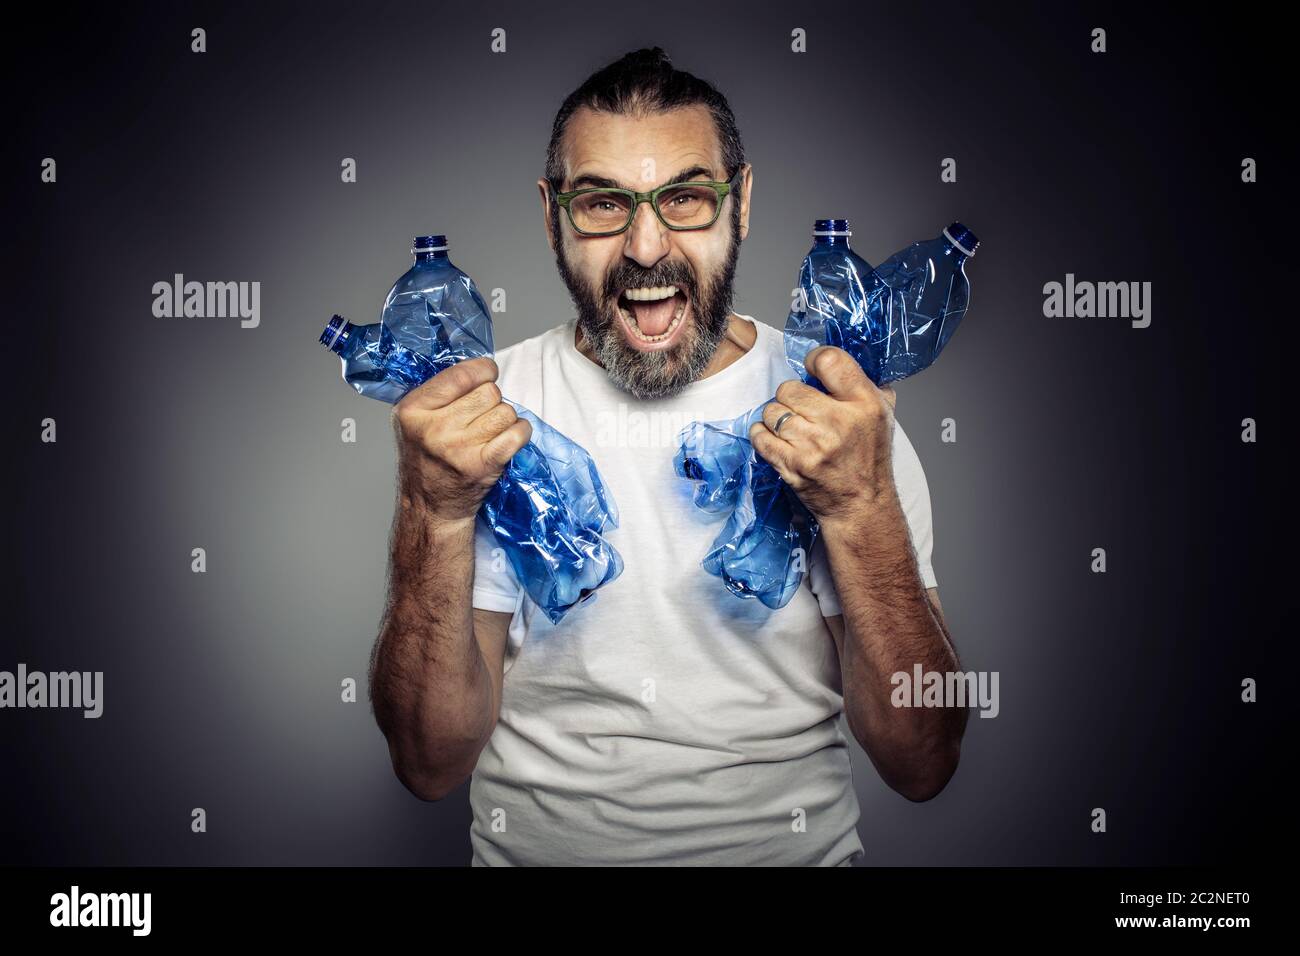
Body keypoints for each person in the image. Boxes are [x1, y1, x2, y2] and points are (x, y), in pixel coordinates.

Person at [368, 47, 967, 866]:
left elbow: (923, 762)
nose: (647, 246)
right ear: (552, 216)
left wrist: (860, 510)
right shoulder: (481, 415)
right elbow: (430, 763)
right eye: (603, 204)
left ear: (741, 202)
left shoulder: (840, 412)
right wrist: (430, 513)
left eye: (684, 197)